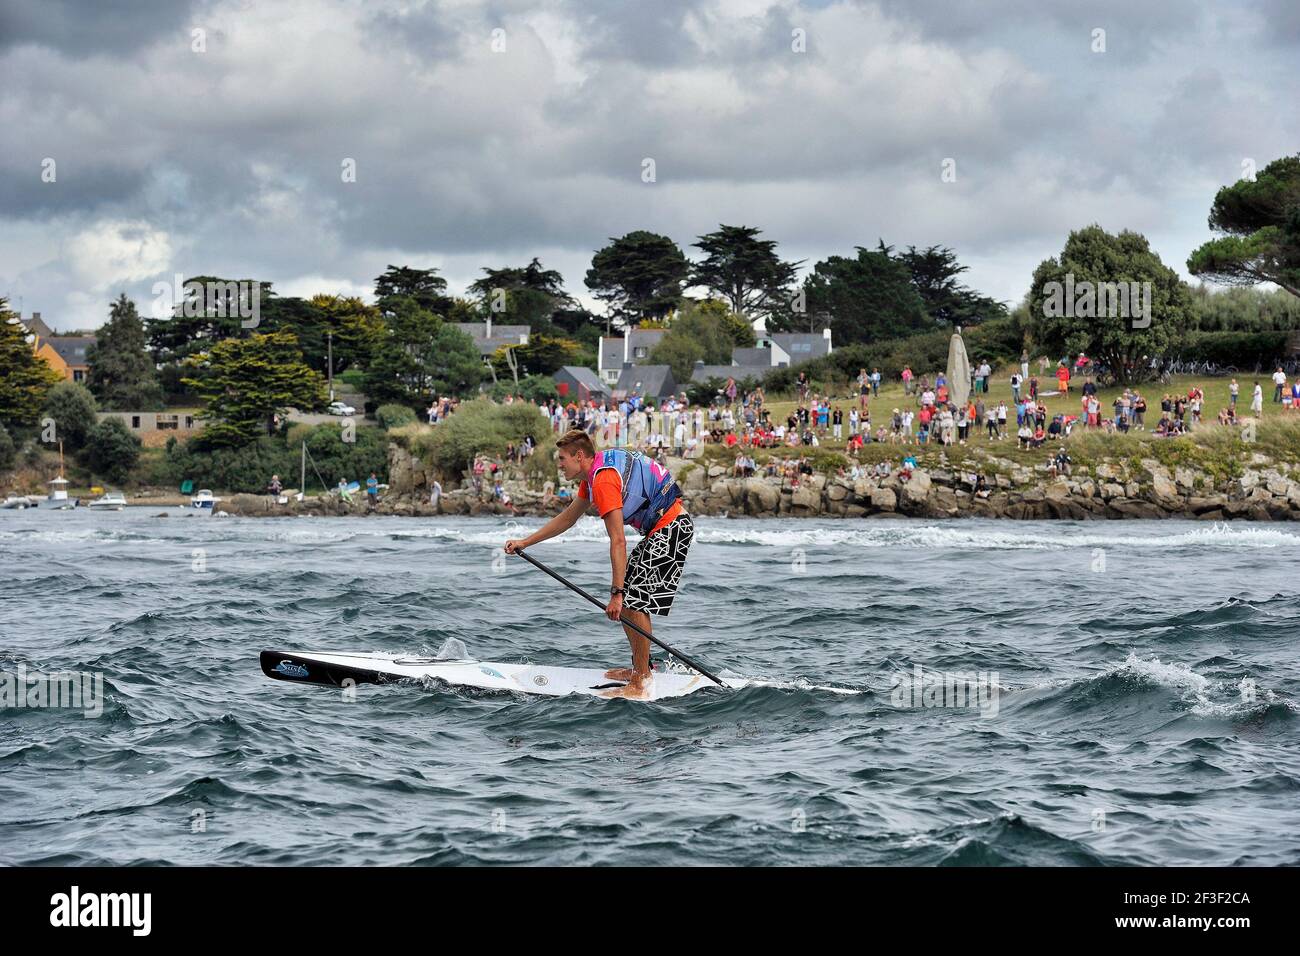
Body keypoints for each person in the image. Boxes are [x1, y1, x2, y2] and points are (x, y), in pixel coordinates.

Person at [504, 430, 693, 700]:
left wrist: (616, 593)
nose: (559, 464)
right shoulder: (593, 476)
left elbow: (618, 541)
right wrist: (526, 541)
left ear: (579, 456)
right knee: (632, 598)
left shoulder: (603, 480)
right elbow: (568, 518)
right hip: (663, 528)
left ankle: (641, 680)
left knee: (631, 601)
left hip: (672, 528)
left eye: (562, 458)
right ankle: (642, 668)